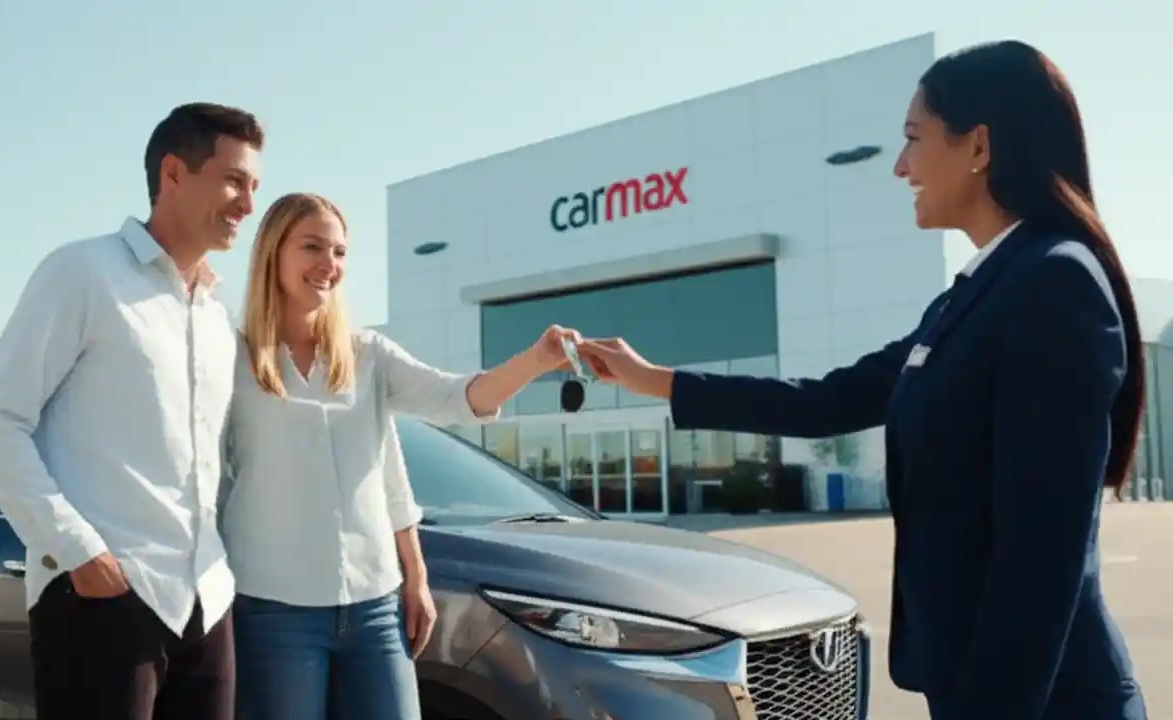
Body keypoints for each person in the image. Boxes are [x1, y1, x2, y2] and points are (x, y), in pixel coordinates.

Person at [576, 40, 1147, 720]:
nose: (902, 166)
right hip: (977, 687)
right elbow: (829, 400)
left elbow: (1039, 562)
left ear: (979, 146)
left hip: (1048, 699)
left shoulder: (1054, 284)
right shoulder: (972, 297)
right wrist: (656, 381)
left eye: (913, 139)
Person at [217, 191, 581, 720]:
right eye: (312, 247)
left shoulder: (367, 355)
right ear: (273, 252)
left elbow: (448, 409)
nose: (329, 265)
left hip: (374, 610)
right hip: (274, 612)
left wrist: (537, 360)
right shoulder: (232, 359)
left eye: (340, 252)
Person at [0, 101, 264, 720]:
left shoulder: (214, 315)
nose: (248, 203)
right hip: (103, 597)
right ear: (173, 174)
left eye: (254, 185)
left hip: (205, 599)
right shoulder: (82, 273)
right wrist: (80, 554)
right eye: (234, 180)